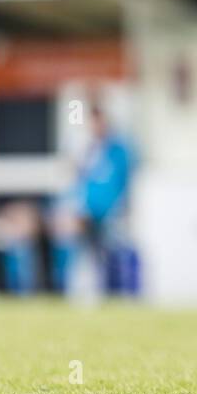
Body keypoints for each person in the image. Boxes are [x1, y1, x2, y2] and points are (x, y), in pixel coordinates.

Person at [51, 102, 137, 297]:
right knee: (75, 250)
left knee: (109, 256)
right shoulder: (87, 149)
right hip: (84, 214)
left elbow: (120, 186)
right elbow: (73, 181)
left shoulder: (118, 151)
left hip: (109, 216)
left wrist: (109, 212)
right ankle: (72, 293)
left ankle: (110, 294)